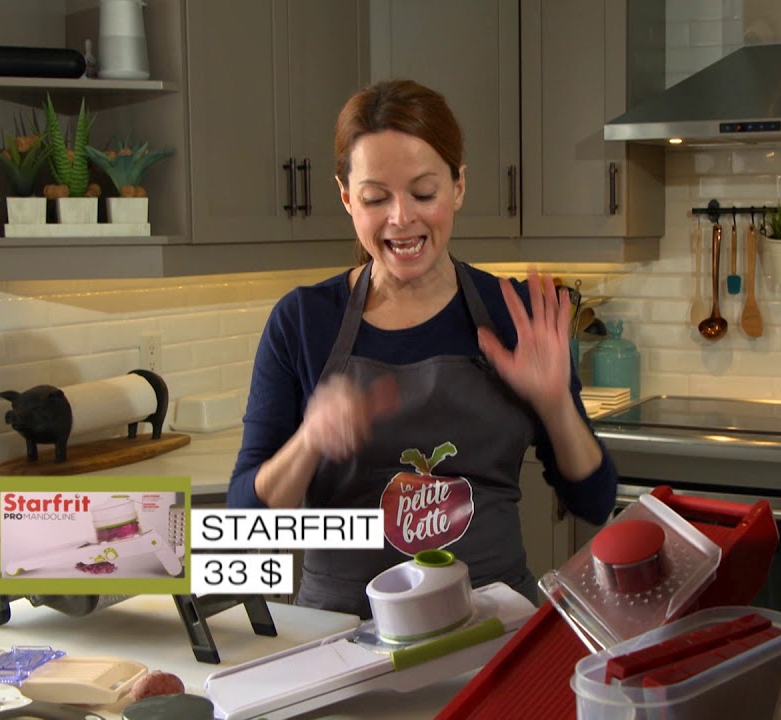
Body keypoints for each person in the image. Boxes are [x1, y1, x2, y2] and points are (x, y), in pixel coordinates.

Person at [226, 79, 618, 617]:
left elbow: (593, 502)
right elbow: (244, 525)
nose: (401, 218)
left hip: (490, 633)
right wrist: (309, 441)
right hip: (337, 642)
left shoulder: (514, 314)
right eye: (375, 198)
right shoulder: (302, 322)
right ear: (345, 197)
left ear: (458, 186)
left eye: (423, 192)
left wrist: (555, 405)